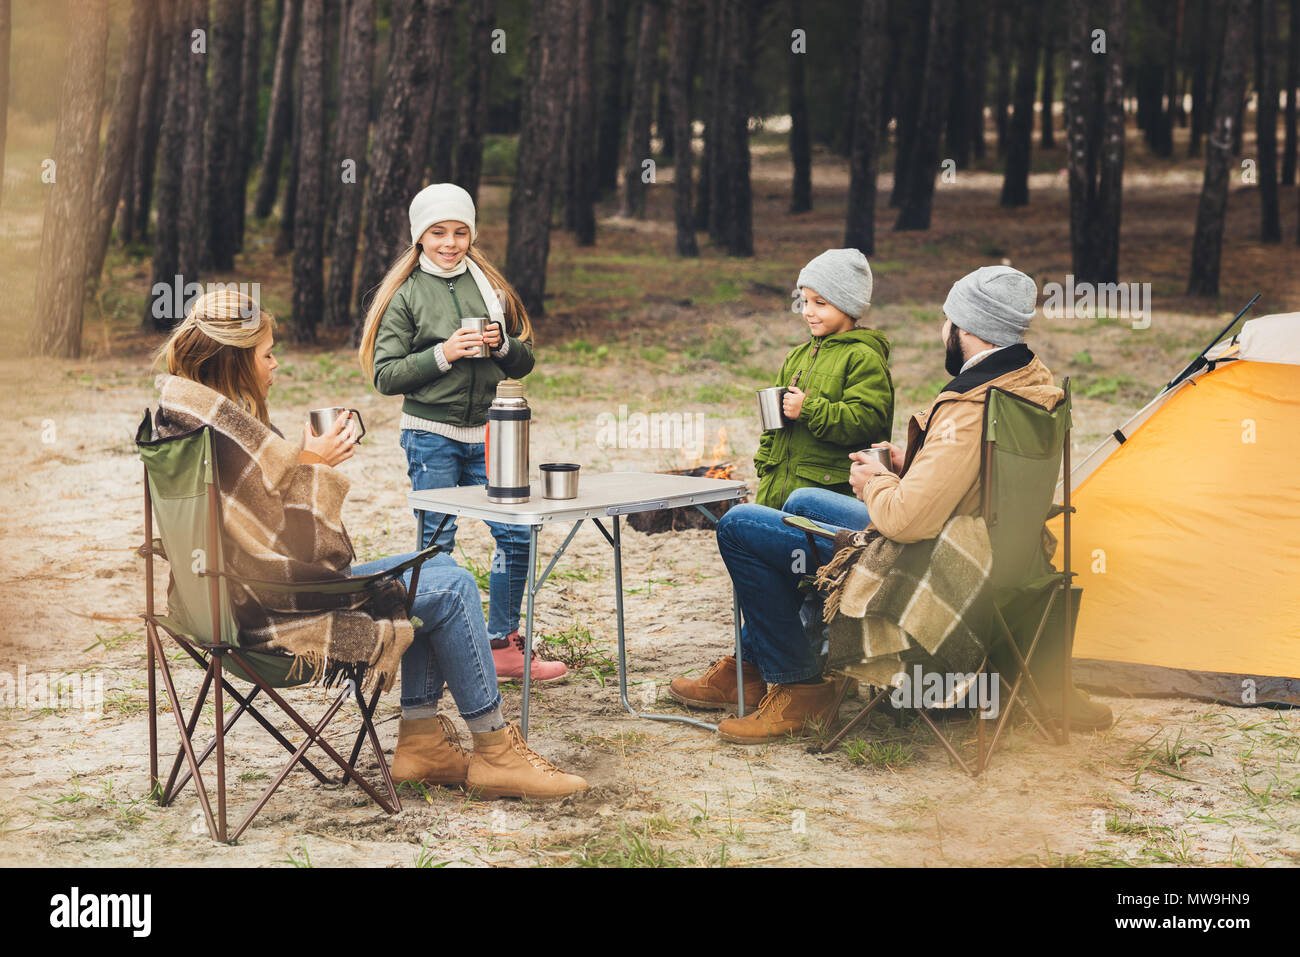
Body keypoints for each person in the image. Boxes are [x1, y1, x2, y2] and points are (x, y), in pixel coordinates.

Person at [152, 289, 587, 800]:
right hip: (274, 620)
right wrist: (313, 466)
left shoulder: (180, 421)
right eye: (267, 354)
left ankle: (423, 742)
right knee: (448, 585)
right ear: (234, 361)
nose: (276, 364)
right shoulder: (233, 435)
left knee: (428, 575)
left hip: (210, 609)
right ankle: (495, 752)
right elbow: (319, 558)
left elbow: (247, 524)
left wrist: (292, 461)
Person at [670, 265, 1113, 743]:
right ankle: (757, 666)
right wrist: (913, 464)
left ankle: (802, 687)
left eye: (949, 320)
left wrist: (878, 481)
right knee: (800, 499)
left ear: (967, 329)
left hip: (936, 560)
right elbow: (981, 477)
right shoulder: (1029, 383)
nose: (943, 329)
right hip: (1000, 549)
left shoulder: (971, 407)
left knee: (738, 526)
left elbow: (904, 521)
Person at [357, 183, 566, 685]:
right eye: (437, 232)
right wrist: (445, 353)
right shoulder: (405, 296)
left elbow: (526, 358)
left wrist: (501, 345)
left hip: (493, 434)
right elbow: (385, 376)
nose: (450, 243)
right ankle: (434, 649)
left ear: (472, 234)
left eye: (460, 232)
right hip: (432, 436)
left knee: (517, 537)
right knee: (437, 544)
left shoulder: (490, 289)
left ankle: (502, 643)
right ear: (419, 237)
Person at [753, 248, 893, 509]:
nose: (808, 311)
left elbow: (866, 422)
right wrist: (764, 464)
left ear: (847, 305)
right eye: (804, 301)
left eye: (820, 303)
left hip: (826, 494)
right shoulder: (796, 356)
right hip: (777, 489)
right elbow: (772, 426)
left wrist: (808, 409)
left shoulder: (863, 357)